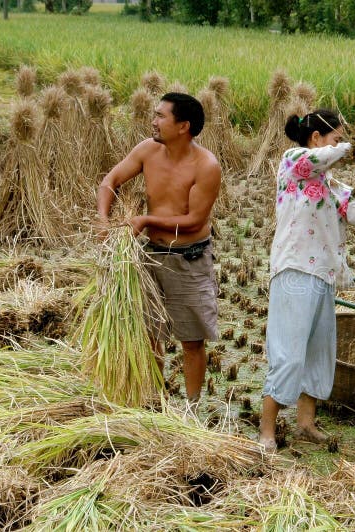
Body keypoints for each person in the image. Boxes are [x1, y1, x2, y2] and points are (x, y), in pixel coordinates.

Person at [259, 109, 355, 452]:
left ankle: (305, 423)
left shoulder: (335, 187)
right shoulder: (293, 163)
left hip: (323, 275)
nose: (340, 146)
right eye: (336, 138)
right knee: (289, 353)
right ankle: (267, 430)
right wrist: (354, 147)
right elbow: (319, 159)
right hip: (294, 271)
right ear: (317, 138)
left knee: (318, 352)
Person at [96, 92, 222, 405]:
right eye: (155, 115)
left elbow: (193, 221)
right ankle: (154, 400)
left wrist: (145, 219)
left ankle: (192, 407)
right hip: (151, 255)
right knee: (151, 333)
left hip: (188, 260)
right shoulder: (148, 150)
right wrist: (102, 219)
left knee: (191, 340)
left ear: (184, 127)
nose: (154, 122)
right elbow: (111, 179)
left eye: (161, 116)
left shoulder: (206, 166)